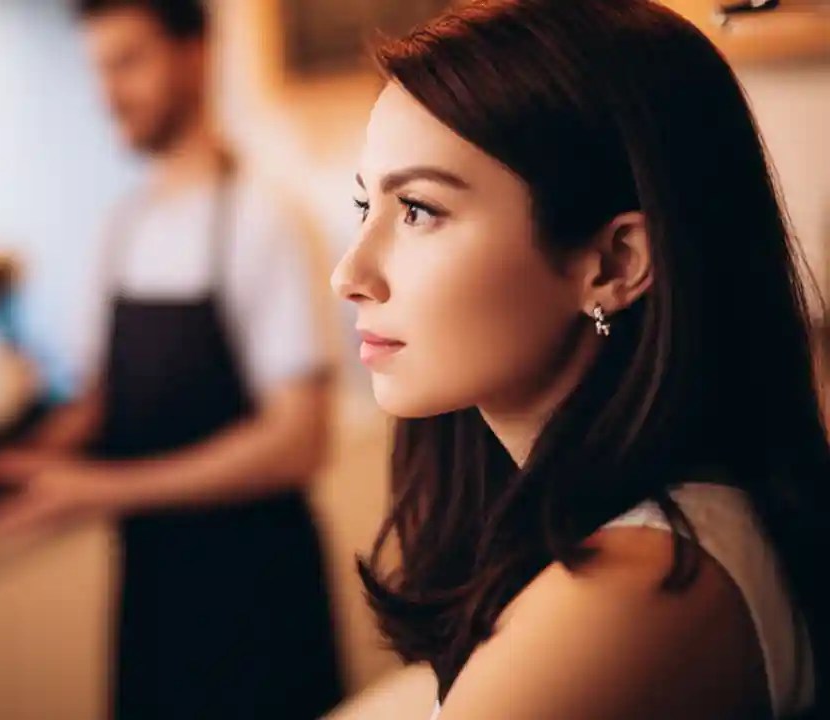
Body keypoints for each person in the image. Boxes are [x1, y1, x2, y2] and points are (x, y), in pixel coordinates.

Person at [332, 1, 828, 718]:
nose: (349, 272)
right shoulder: (667, 542)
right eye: (363, 206)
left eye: (418, 210)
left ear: (614, 261)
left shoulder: (626, 598)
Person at [0, 0, 344, 717]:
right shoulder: (123, 228)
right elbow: (104, 407)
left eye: (127, 62)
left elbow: (298, 442)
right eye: (98, 69)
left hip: (256, 598)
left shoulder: (267, 220)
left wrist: (101, 491)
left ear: (196, 52)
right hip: (152, 593)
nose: (108, 92)